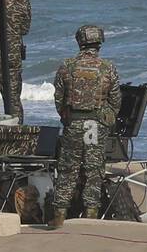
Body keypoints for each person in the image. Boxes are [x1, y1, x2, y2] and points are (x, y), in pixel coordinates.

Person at [50, 24, 121, 227]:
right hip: (94, 125)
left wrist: (69, 119)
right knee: (93, 170)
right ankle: (91, 216)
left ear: (80, 41)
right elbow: (116, 100)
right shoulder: (107, 68)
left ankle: (59, 216)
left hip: (73, 124)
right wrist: (106, 119)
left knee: (67, 170)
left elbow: (58, 99)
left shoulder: (67, 66)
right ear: (99, 42)